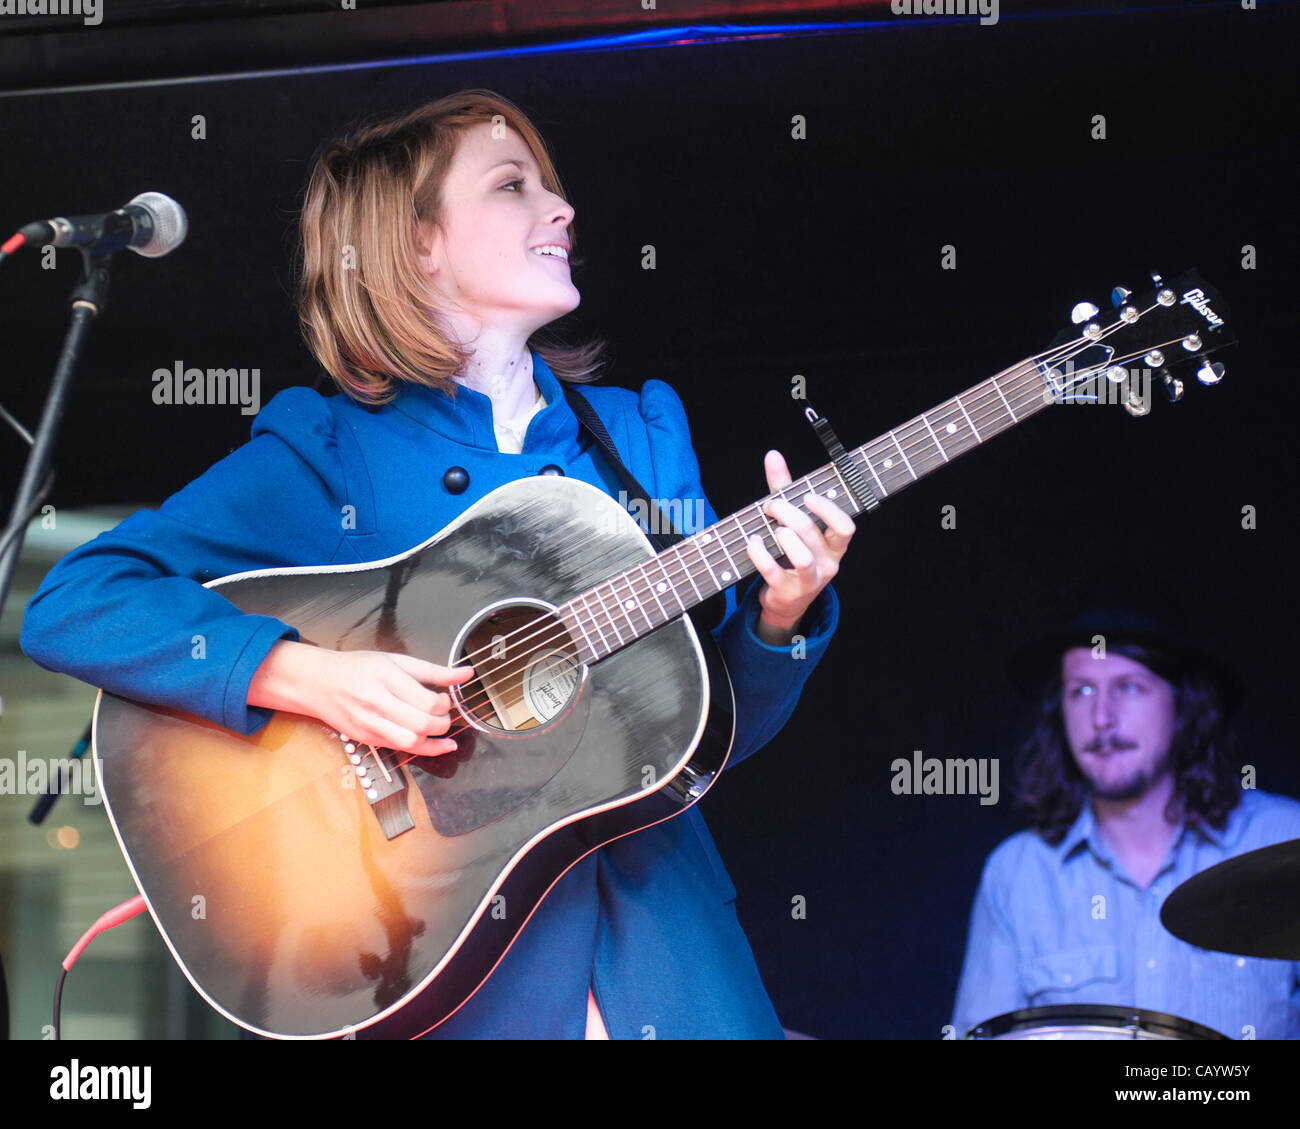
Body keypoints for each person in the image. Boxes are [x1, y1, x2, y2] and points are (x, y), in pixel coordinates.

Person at [20, 90, 855, 1039]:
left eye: (551, 185)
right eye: (513, 185)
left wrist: (778, 617)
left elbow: (705, 739)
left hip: (664, 951)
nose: (562, 208)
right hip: (443, 966)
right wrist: (310, 677)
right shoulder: (330, 448)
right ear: (418, 245)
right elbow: (75, 600)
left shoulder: (640, 430)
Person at [950, 602, 1300, 1040]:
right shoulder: (1016, 874)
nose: (1101, 719)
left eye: (1129, 687)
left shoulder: (1286, 841)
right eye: (1081, 692)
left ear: (1184, 704)